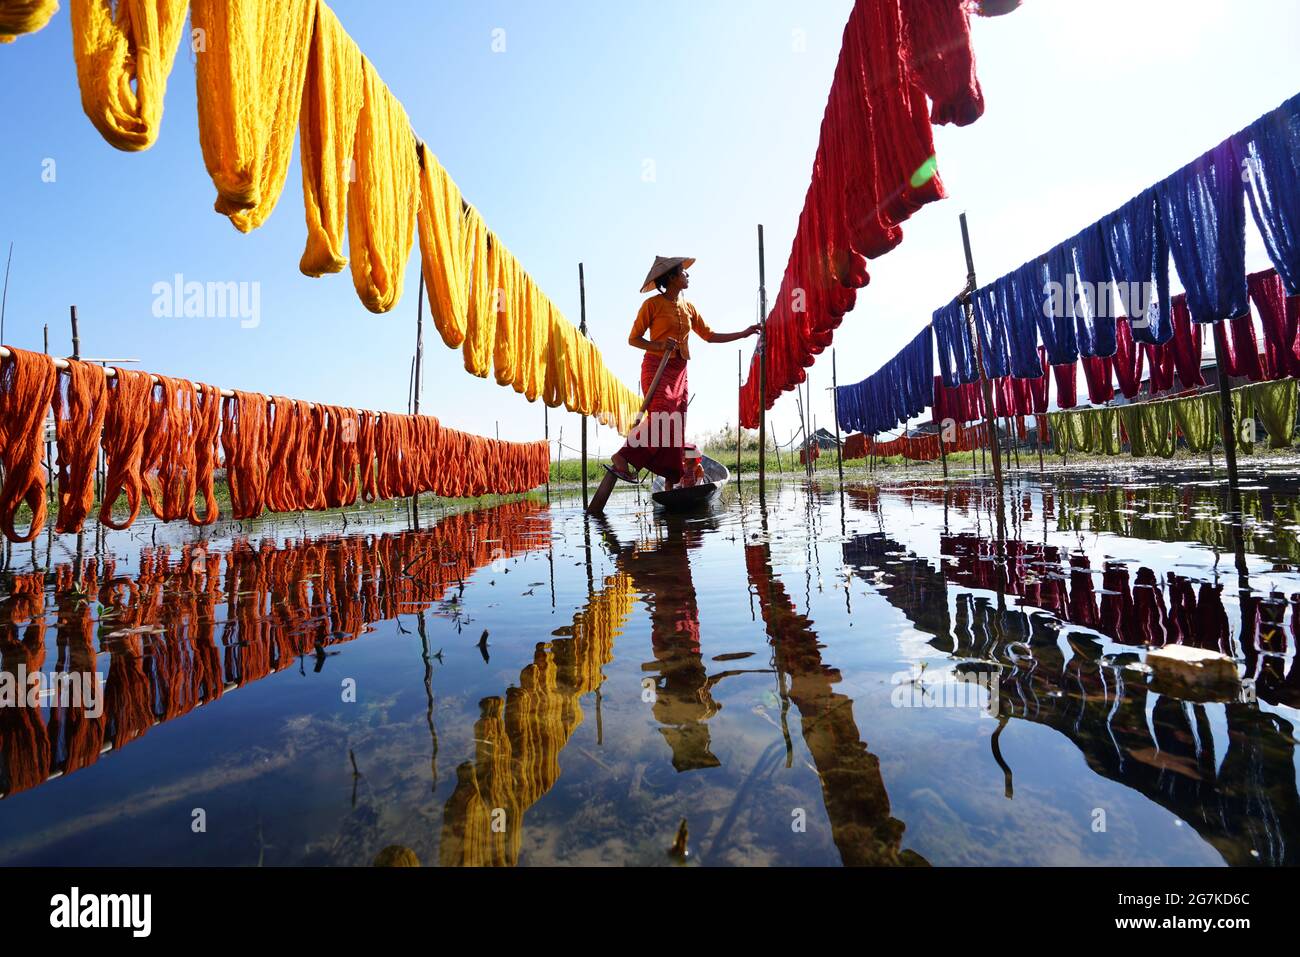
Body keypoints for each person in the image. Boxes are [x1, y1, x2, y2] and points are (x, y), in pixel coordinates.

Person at [605, 256, 759, 490]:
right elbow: (633, 339)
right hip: (656, 366)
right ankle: (623, 456)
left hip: (679, 371)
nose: (688, 276)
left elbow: (709, 335)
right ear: (672, 278)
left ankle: (671, 478)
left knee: (676, 423)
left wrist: (743, 333)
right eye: (683, 273)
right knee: (662, 414)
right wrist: (658, 345)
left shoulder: (689, 307)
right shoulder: (652, 305)